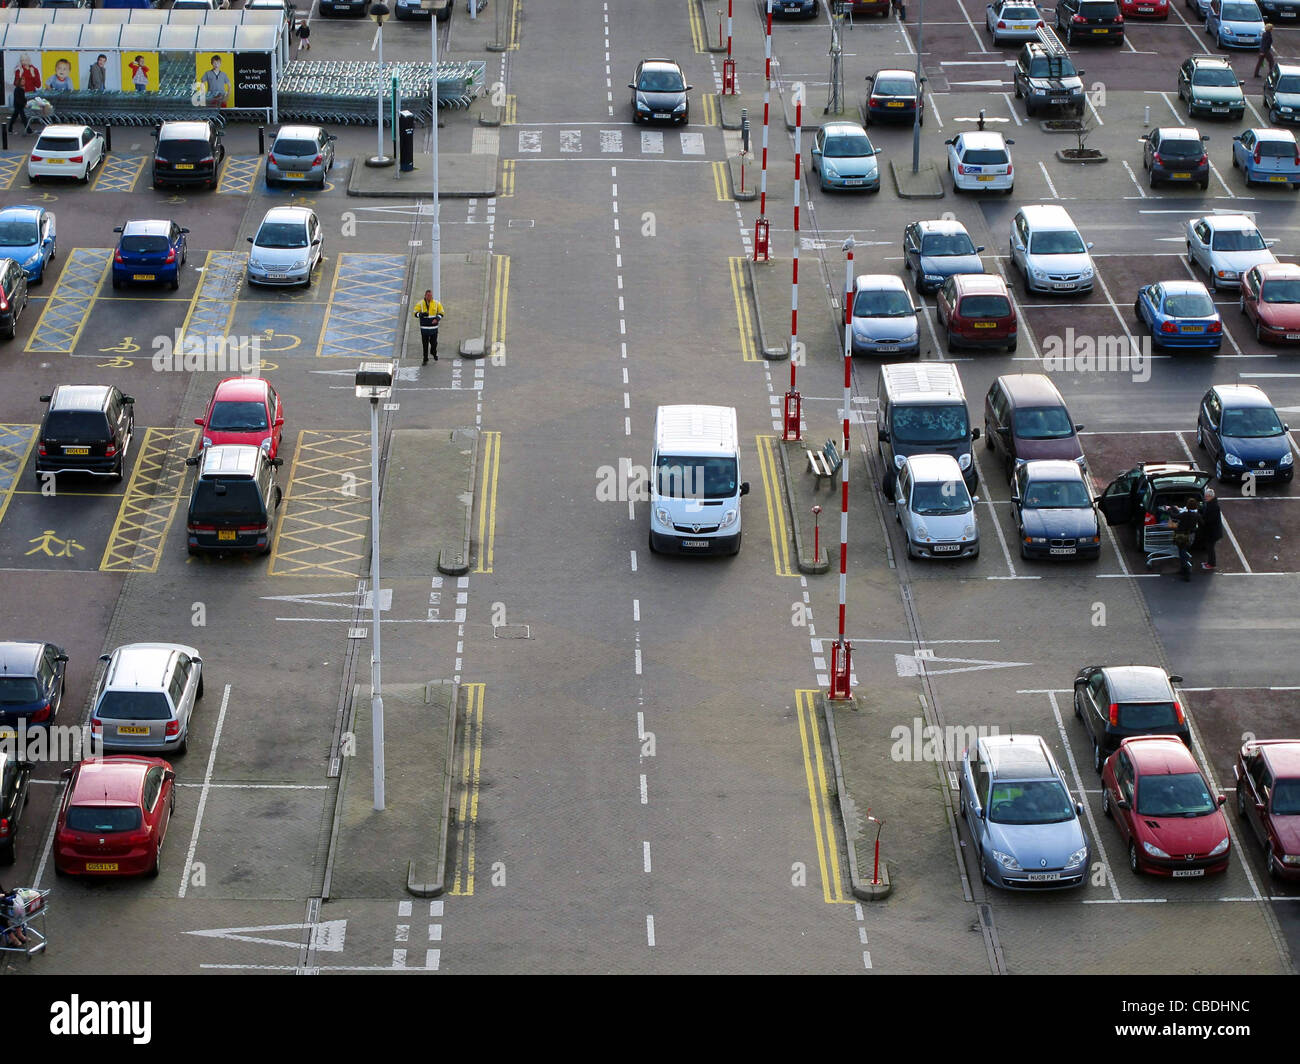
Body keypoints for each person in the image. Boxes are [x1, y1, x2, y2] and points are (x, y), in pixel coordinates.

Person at [1167, 495, 1201, 582]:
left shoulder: (1185, 514)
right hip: (1191, 536)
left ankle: (1186, 571)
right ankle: (1183, 569)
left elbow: (1174, 516)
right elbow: (1201, 523)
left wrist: (1169, 509)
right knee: (1183, 551)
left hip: (1181, 535)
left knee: (1182, 553)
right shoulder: (1197, 515)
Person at [412, 290, 445, 364]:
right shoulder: (420, 303)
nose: (429, 297)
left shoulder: (436, 303)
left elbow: (442, 312)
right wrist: (420, 314)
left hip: (434, 328)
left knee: (434, 343)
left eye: (430, 295)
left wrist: (437, 319)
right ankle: (425, 358)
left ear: (432, 296)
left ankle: (433, 352)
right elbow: (415, 313)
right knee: (425, 344)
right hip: (424, 329)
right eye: (428, 295)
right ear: (425, 296)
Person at [1201, 486, 1223, 570]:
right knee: (1209, 548)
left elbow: (1210, 519)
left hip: (1212, 532)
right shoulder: (1212, 504)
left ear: (1211, 496)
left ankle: (1211, 564)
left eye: (1207, 496)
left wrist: (1201, 519)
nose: (1205, 498)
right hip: (1212, 532)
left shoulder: (1213, 506)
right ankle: (1209, 562)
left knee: (1210, 548)